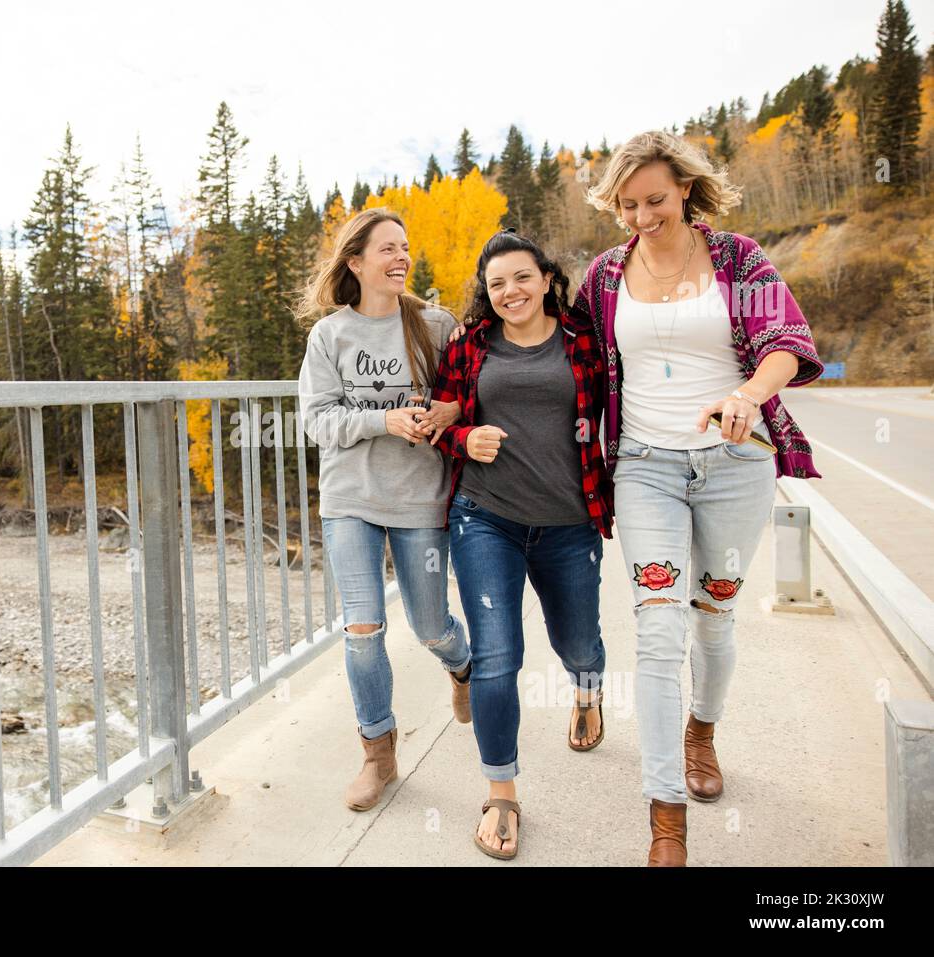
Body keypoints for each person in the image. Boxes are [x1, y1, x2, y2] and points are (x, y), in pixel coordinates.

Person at [576, 130, 823, 866]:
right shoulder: (605, 275)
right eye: (626, 205)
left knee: (714, 617)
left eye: (654, 199)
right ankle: (666, 821)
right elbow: (577, 355)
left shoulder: (737, 257)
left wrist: (749, 393)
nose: (642, 216)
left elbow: (785, 336)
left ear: (685, 188)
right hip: (646, 464)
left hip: (736, 462)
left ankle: (702, 729)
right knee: (656, 630)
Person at [433, 229, 614, 859]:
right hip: (486, 517)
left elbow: (621, 410)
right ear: (486, 294)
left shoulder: (585, 342)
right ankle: (501, 791)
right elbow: (439, 417)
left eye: (521, 278)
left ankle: (588, 691)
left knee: (577, 640)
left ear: (545, 278)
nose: (510, 292)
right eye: (496, 284)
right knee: (497, 654)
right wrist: (464, 440)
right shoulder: (469, 347)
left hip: (569, 522)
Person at [297, 207, 469, 813]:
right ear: (356, 262)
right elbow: (317, 420)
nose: (401, 258)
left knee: (430, 627)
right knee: (362, 629)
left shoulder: (436, 325)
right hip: (351, 501)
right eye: (387, 249)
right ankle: (378, 752)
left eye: (405, 247)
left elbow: (466, 396)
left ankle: (463, 666)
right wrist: (383, 419)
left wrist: (441, 415)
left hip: (420, 497)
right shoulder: (330, 336)